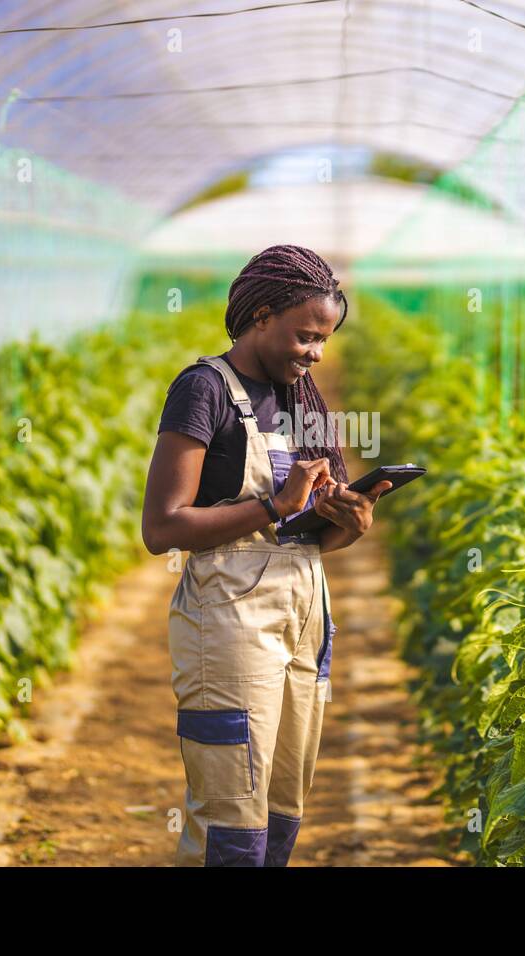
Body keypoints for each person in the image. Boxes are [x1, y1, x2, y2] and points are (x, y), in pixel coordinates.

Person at [141, 244, 390, 866]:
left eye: (325, 341)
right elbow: (162, 526)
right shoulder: (204, 390)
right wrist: (276, 505)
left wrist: (351, 522)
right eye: (306, 336)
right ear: (259, 315)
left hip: (304, 610)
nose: (316, 354)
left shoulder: (305, 400)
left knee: (282, 805)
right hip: (229, 616)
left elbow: (313, 537)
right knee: (232, 814)